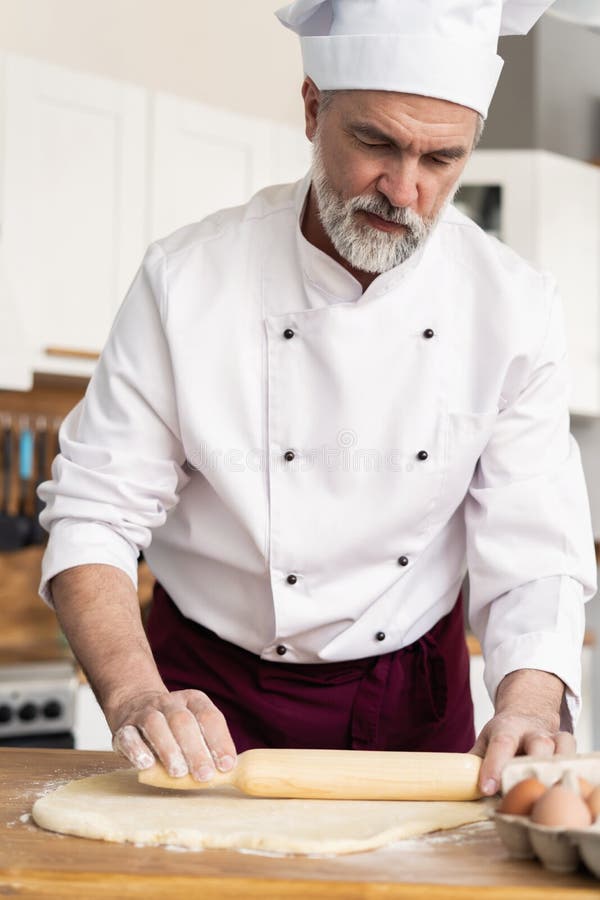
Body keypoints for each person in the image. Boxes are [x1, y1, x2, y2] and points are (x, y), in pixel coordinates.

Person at [38, 0, 596, 797]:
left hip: (411, 698)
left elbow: (534, 547)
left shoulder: (513, 306)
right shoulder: (187, 280)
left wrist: (534, 701)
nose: (404, 190)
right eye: (377, 142)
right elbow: (95, 511)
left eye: (441, 160)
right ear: (312, 108)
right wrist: (134, 692)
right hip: (205, 694)